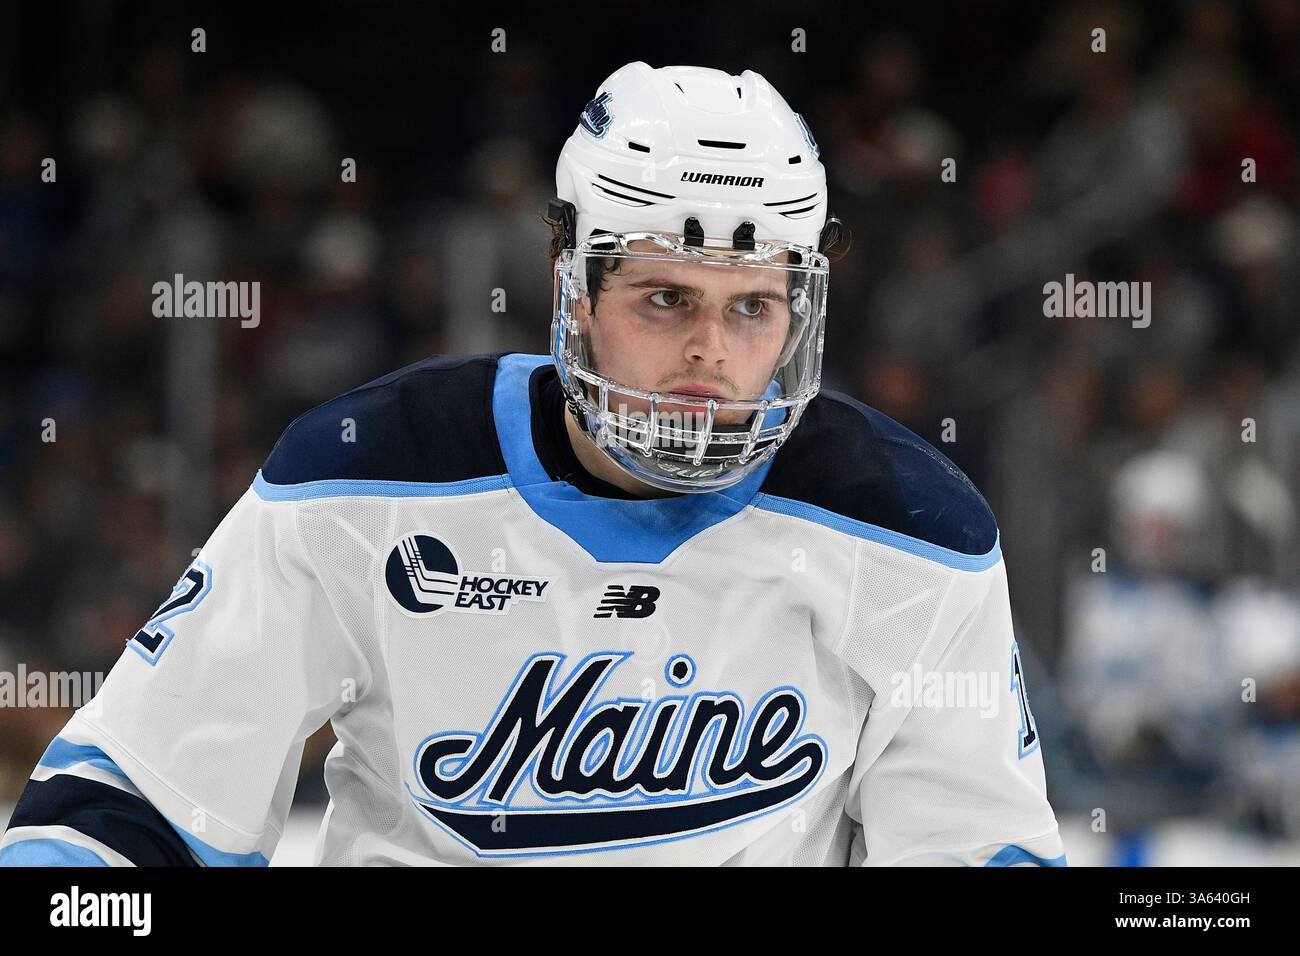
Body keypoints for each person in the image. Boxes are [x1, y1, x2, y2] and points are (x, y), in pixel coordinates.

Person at [0, 61, 1065, 866]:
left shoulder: (913, 533)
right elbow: (135, 803)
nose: (711, 352)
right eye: (666, 298)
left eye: (752, 306)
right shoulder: (365, 479)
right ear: (573, 286)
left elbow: (980, 850)